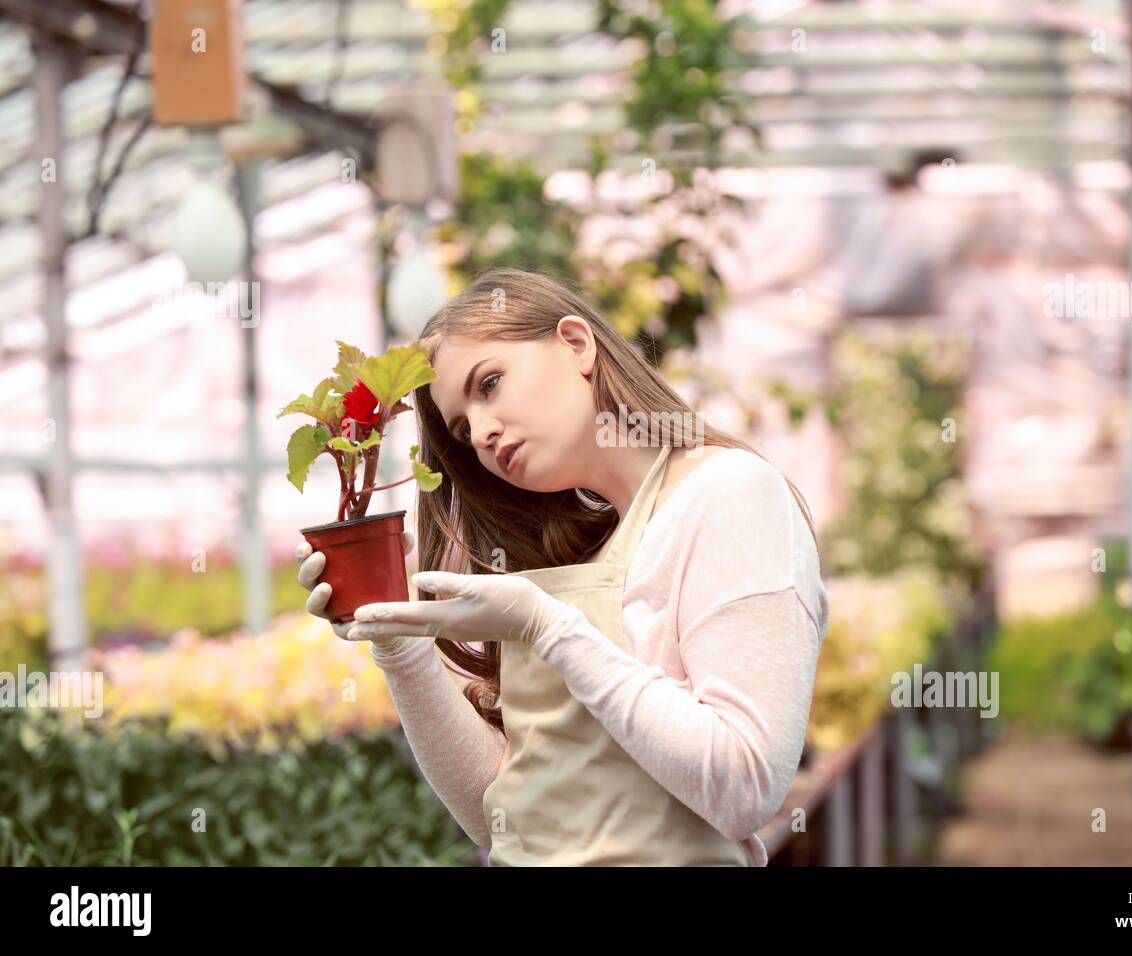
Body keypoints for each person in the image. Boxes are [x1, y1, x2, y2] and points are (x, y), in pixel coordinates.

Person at [295, 266, 829, 865]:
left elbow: (744, 788)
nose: (485, 432)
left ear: (576, 344)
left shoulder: (730, 494)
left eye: (490, 383)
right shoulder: (582, 555)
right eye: (463, 429)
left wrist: (550, 629)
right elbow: (498, 815)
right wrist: (402, 647)